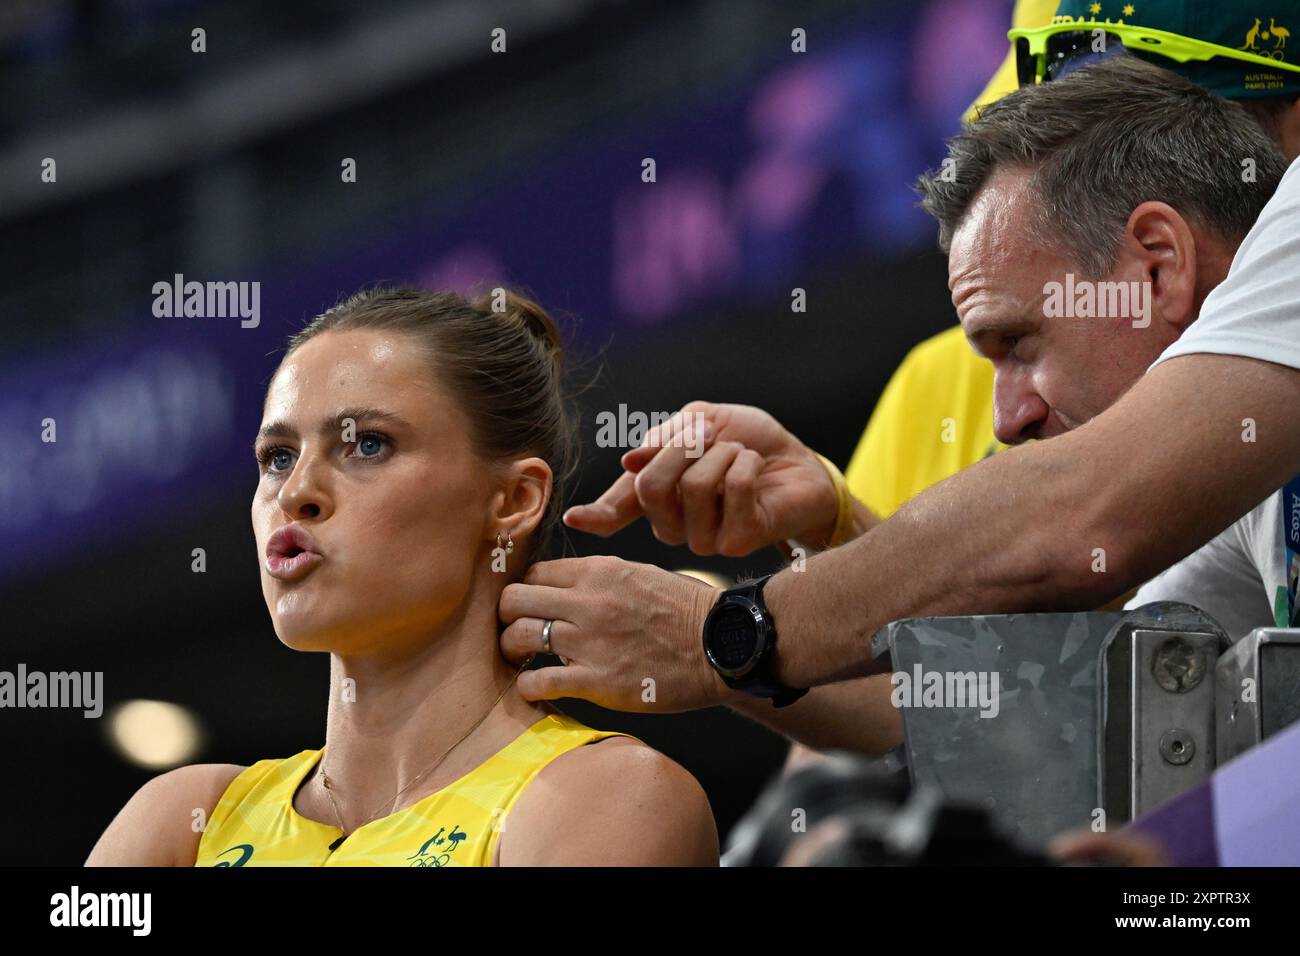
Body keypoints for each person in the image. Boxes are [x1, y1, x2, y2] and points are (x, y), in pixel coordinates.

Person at [495, 54, 1300, 722]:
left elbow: (1080, 515)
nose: (1009, 417)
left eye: (1019, 342)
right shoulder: (1242, 487)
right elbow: (1016, 715)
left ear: (1156, 263)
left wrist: (716, 633)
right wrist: (833, 534)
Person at [85, 287, 718, 867]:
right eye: (278, 457)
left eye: (367, 445)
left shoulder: (607, 796)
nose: (297, 491)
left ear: (513, 500)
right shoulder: (184, 821)